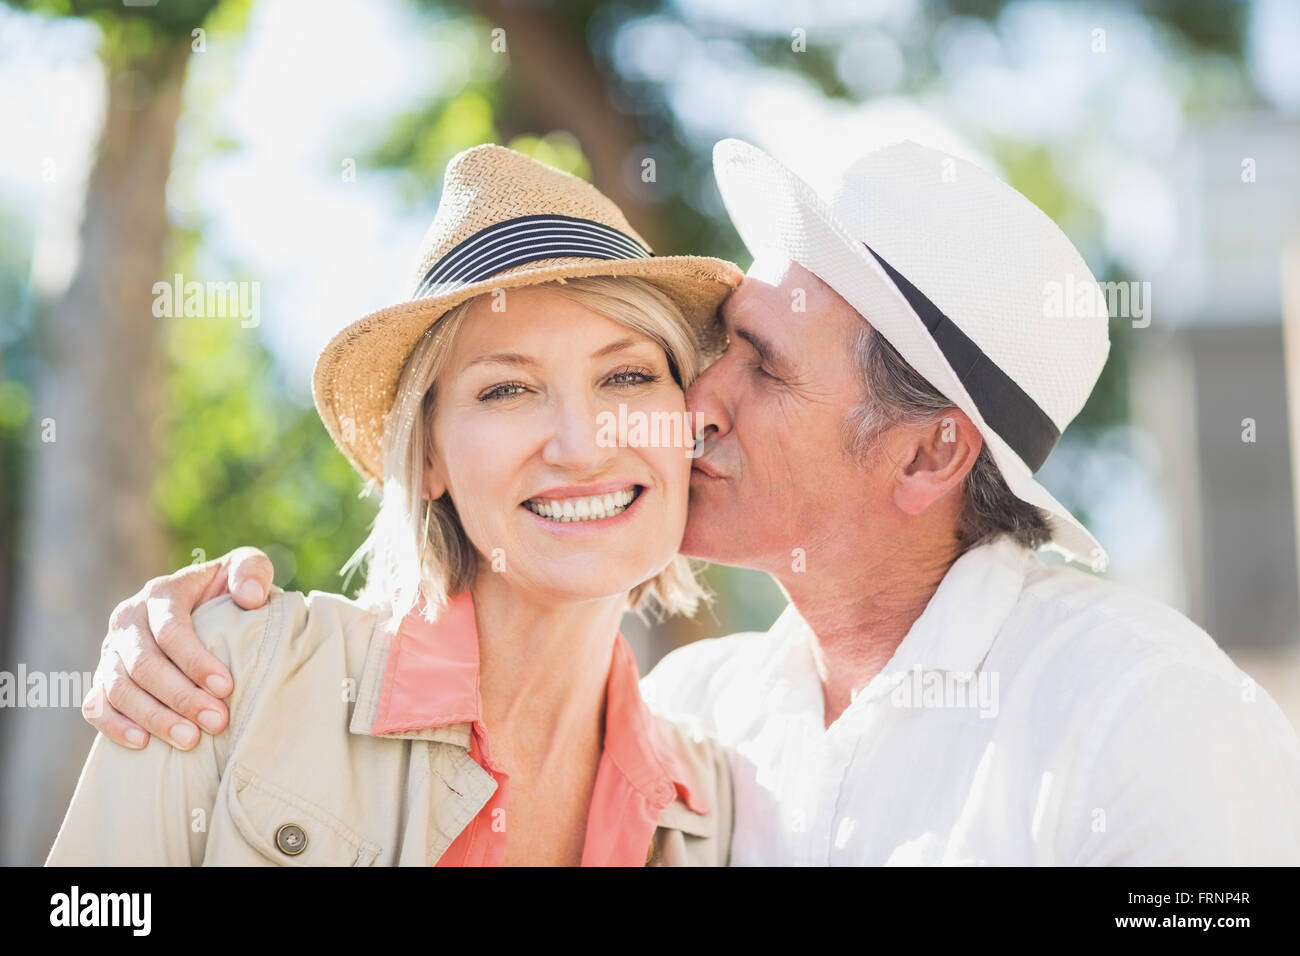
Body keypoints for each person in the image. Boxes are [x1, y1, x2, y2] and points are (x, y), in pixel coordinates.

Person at [80, 138, 1300, 865]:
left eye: (760, 366)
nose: (691, 402)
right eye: (716, 346)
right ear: (429, 451)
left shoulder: (1144, 710)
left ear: (929, 457)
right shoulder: (705, 726)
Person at [46, 144, 741, 866]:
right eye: (507, 389)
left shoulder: (714, 805)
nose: (582, 447)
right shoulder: (224, 671)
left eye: (627, 375)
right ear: (429, 457)